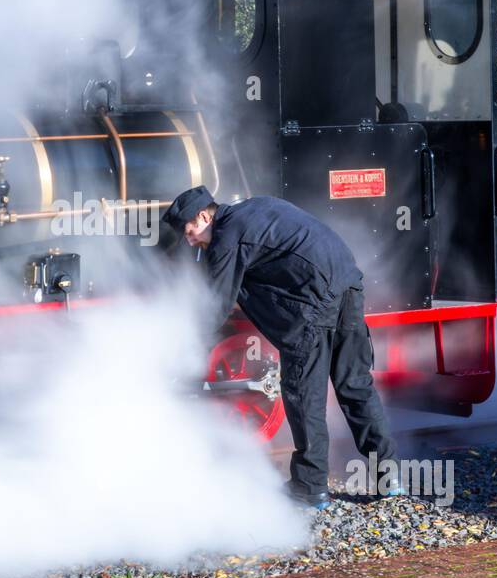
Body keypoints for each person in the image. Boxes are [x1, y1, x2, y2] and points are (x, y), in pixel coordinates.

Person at [163, 186, 401, 509]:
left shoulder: (227, 236)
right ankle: (390, 479)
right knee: (355, 384)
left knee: (304, 395)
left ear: (204, 216)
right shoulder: (255, 207)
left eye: (190, 231)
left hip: (314, 301)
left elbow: (214, 307)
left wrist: (178, 352)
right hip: (348, 282)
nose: (190, 240)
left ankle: (310, 488)